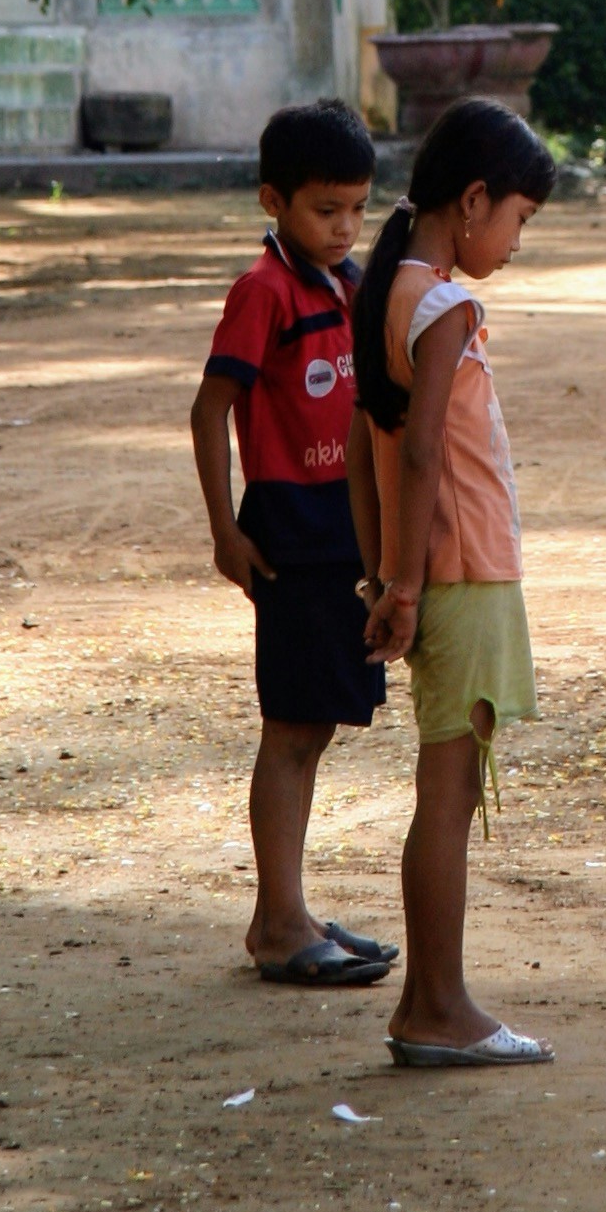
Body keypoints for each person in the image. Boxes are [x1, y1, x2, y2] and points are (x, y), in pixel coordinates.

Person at [351, 97, 556, 1070]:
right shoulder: (443, 303)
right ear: (472, 202)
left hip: (430, 572)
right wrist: (407, 582)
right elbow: (423, 449)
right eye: (517, 218)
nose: (515, 241)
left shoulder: (388, 288)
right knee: (448, 789)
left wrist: (385, 575)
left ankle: (433, 998)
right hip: (462, 566)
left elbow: (366, 452)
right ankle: (436, 1004)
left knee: (446, 784)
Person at [191, 97, 399, 991]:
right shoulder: (263, 290)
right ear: (272, 201)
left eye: (358, 208)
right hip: (292, 535)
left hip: (347, 537)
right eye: (325, 210)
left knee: (313, 727)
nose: (345, 227)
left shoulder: (351, 284)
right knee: (291, 730)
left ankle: (292, 909)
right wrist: (224, 529)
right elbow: (209, 410)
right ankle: (277, 923)